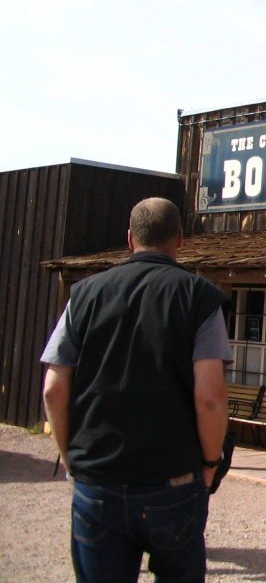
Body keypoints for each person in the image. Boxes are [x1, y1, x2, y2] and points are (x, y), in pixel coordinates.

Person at [40, 197, 233, 583]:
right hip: (174, 480)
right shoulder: (200, 298)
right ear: (180, 239)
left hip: (98, 477)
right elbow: (210, 397)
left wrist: (71, 460)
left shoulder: (83, 295)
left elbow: (53, 389)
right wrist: (210, 465)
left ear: (130, 239)